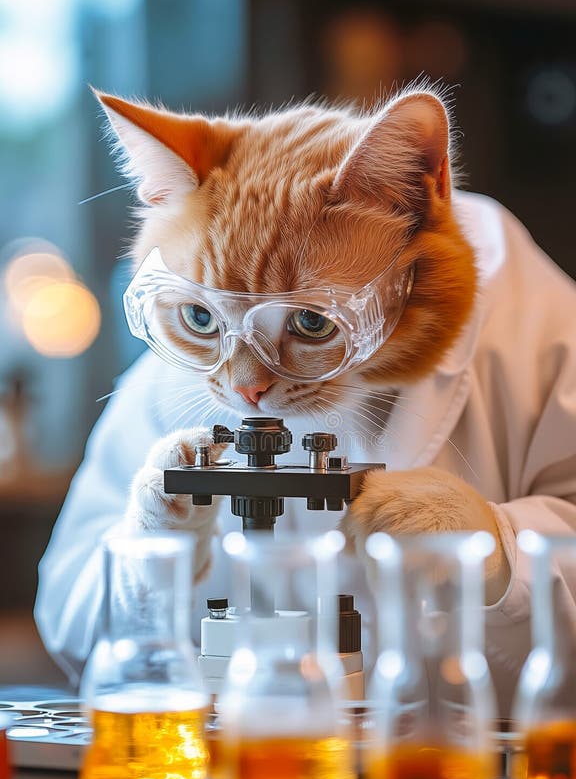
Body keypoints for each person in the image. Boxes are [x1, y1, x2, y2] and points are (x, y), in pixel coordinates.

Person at [35, 87, 576, 716]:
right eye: (203, 319)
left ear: (411, 208)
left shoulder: (543, 330)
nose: (247, 382)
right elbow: (70, 623)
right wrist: (156, 547)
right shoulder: (180, 362)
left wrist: (496, 550)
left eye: (312, 325)